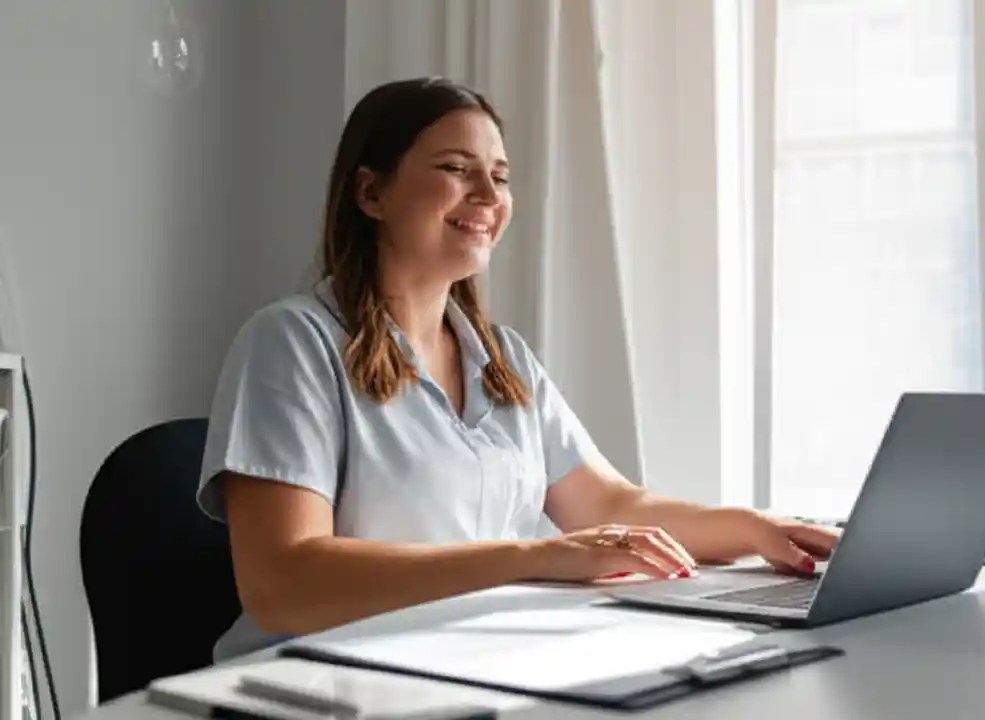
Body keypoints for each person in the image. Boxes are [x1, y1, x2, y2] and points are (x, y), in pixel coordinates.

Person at [197, 77, 838, 659]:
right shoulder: (291, 342)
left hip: (470, 663)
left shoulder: (503, 359)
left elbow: (609, 503)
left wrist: (756, 529)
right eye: (456, 169)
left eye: (500, 177)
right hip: (316, 682)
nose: (487, 196)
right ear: (371, 192)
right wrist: (534, 558)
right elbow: (284, 582)